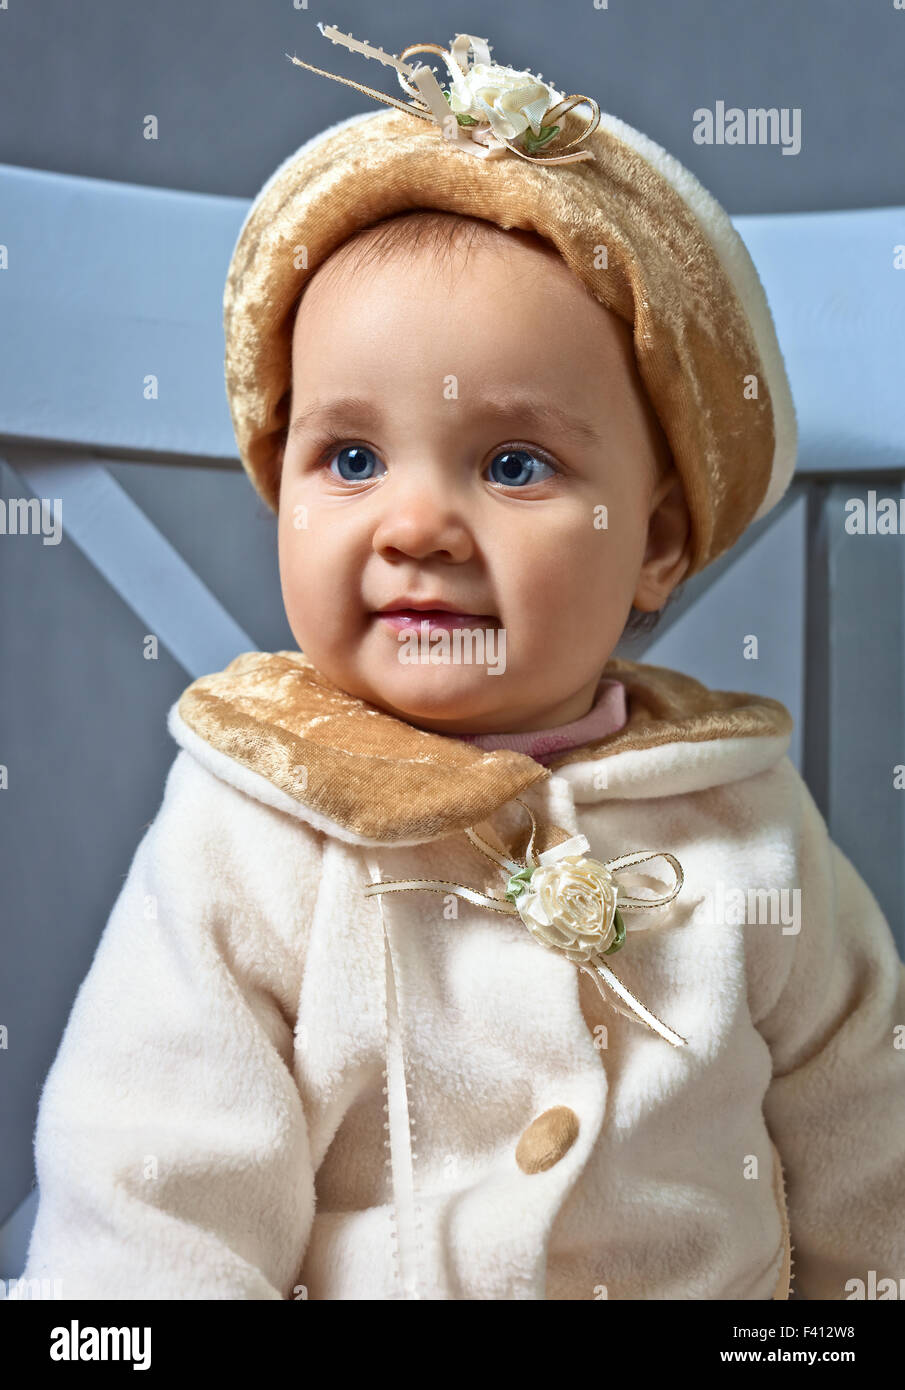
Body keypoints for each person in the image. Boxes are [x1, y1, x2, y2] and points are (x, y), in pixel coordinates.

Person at [22, 25, 905, 1300]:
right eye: (351, 458)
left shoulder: (744, 827)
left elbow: (867, 1155)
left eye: (510, 465)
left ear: (652, 544)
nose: (417, 525)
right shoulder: (254, 828)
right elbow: (151, 1204)